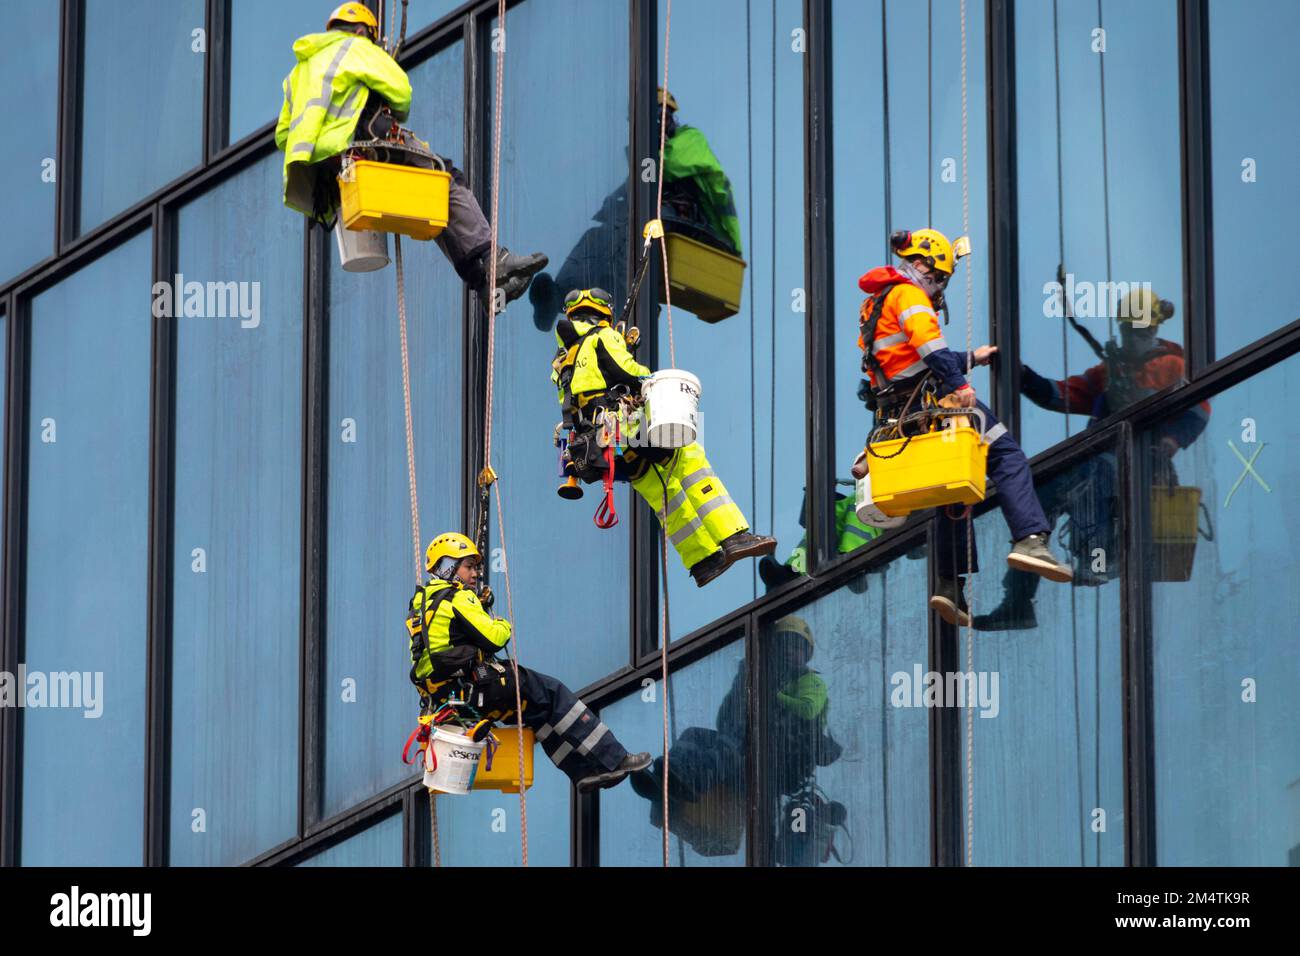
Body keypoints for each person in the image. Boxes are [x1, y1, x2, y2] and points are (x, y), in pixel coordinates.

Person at [852, 228, 1072, 626]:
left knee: (954, 491)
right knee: (1005, 453)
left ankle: (949, 585)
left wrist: (971, 357)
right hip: (933, 401)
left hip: (903, 413)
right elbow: (931, 349)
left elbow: (909, 356)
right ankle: (1031, 540)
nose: (939, 288)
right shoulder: (909, 295)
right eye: (939, 278)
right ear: (922, 266)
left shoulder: (878, 302)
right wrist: (961, 385)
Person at [276, 3, 546, 304]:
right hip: (362, 145)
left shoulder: (298, 72)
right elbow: (401, 94)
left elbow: (282, 136)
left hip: (327, 175)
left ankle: (483, 284)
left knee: (430, 201)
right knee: (445, 179)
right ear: (363, 30)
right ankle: (494, 259)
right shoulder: (356, 47)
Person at [975, 288, 1210, 629]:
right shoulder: (1109, 371)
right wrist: (1020, 374)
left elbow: (1198, 411)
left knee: (1095, 474)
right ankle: (1019, 598)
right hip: (1101, 458)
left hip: (1141, 465)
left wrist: (1172, 441)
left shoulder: (1172, 364)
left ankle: (1098, 560)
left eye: (1143, 329)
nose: (1137, 336)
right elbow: (1060, 395)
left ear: (1155, 329)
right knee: (1038, 491)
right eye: (1132, 329)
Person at [552, 288, 776, 586]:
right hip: (627, 425)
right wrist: (650, 376)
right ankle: (733, 536)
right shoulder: (603, 337)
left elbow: (584, 394)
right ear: (603, 312)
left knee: (662, 491)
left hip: (600, 445)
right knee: (689, 460)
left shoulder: (561, 362)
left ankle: (702, 561)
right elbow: (629, 373)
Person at [407, 532, 650, 792]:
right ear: (448, 568)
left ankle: (584, 773)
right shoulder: (458, 597)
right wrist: (498, 620)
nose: (475, 574)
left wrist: (477, 605)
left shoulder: (420, 605)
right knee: (552, 693)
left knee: (539, 712)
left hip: (451, 701)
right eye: (468, 567)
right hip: (479, 689)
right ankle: (615, 758)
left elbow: (443, 642)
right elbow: (495, 637)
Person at [658, 89, 742, 256]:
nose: (663, 122)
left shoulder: (690, 140)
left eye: (665, 117)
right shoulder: (648, 156)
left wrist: (652, 148)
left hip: (698, 227)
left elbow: (667, 166)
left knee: (649, 221)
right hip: (675, 220)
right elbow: (645, 180)